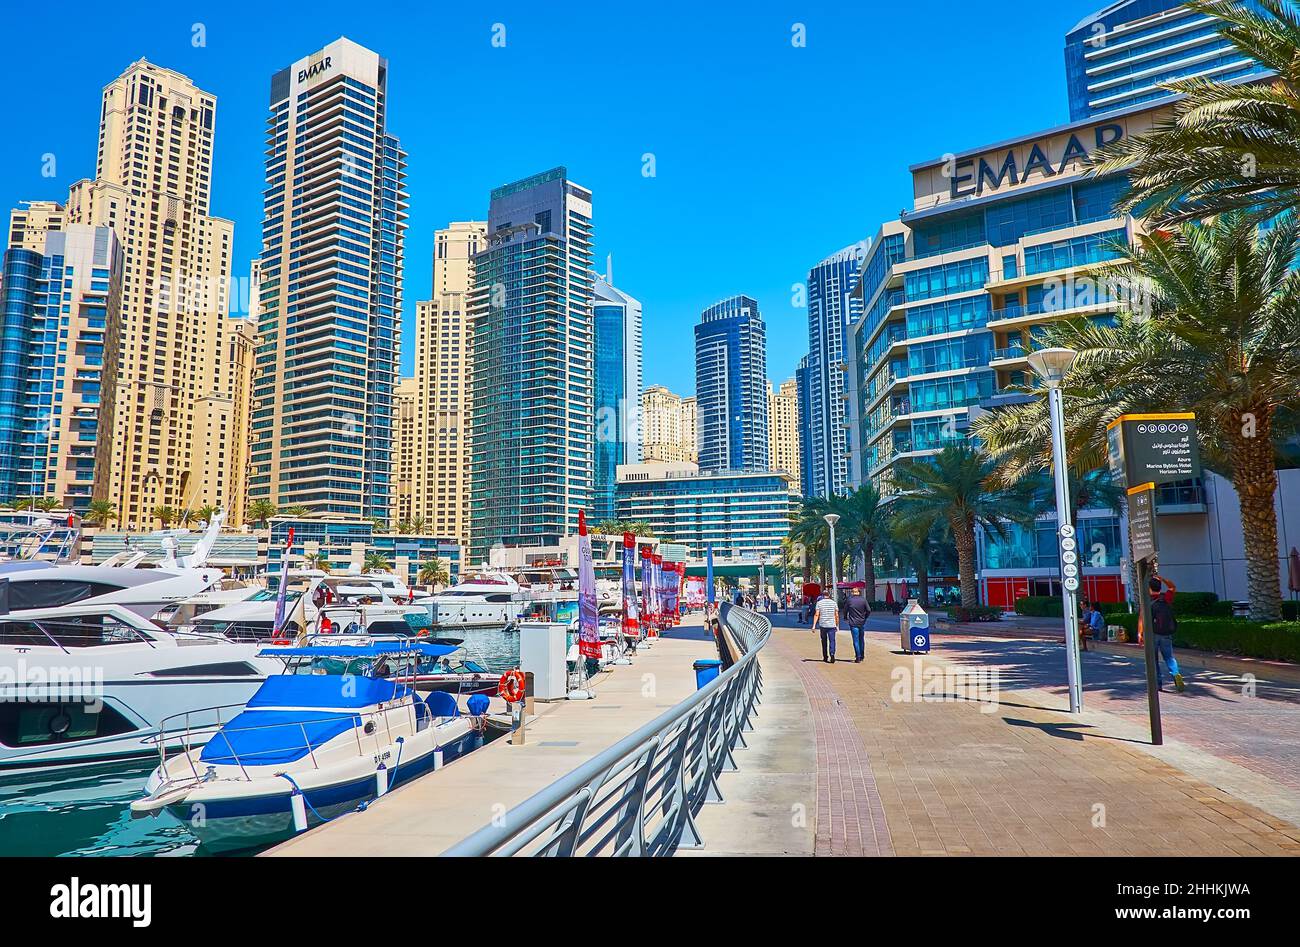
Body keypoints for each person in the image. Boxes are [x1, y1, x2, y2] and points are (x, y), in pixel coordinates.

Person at [1147, 573, 1185, 693]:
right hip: (1166, 633)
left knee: (1154, 660)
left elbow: (1143, 619)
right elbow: (1172, 587)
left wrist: (1140, 634)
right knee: (1169, 657)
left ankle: (1158, 684)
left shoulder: (1147, 601)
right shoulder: (1166, 598)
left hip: (1153, 634)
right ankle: (1175, 673)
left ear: (1149, 588)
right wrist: (1162, 579)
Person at [810, 589, 840, 663]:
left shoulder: (819, 603)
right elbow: (836, 615)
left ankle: (825, 656)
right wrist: (837, 625)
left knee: (824, 641)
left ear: (822, 596)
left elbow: (817, 614)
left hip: (823, 625)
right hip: (832, 625)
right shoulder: (834, 603)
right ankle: (832, 653)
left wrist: (814, 625)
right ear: (829, 595)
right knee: (832, 640)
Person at [844, 588, 872, 663]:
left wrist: (845, 618)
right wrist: (865, 617)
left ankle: (858, 657)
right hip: (861, 622)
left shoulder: (849, 600)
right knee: (861, 639)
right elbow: (869, 610)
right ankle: (862, 655)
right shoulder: (863, 600)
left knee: (855, 640)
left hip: (853, 623)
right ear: (858, 592)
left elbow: (845, 610)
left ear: (852, 593)